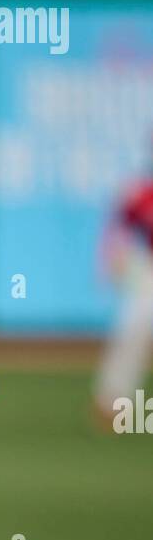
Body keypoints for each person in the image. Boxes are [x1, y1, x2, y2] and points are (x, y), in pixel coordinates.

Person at [94, 173, 153, 426]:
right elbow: (119, 226)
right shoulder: (141, 194)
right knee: (132, 329)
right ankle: (111, 402)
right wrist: (110, 256)